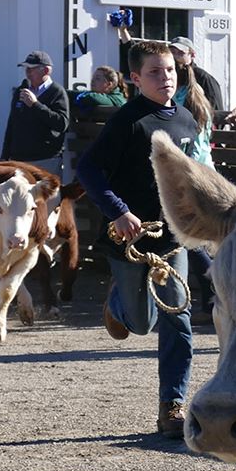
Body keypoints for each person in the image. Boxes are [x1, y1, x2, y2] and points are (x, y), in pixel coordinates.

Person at [74, 39, 200, 438]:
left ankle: (172, 406)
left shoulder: (187, 120)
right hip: (128, 239)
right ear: (134, 78)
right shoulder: (127, 122)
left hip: (172, 239)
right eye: (154, 72)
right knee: (142, 324)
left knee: (178, 317)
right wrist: (119, 211)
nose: (165, 78)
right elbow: (88, 170)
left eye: (170, 70)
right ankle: (117, 303)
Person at [0, 50, 68, 176]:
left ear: (46, 71)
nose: (27, 72)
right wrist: (4, 156)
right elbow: (12, 125)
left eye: (32, 69)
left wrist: (35, 105)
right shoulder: (21, 91)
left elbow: (62, 124)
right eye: (26, 69)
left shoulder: (57, 92)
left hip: (45, 161)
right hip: (18, 160)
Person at [167, 37, 223, 114]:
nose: (175, 56)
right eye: (172, 52)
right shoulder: (166, 75)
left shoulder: (203, 78)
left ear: (192, 55)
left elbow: (216, 110)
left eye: (181, 53)